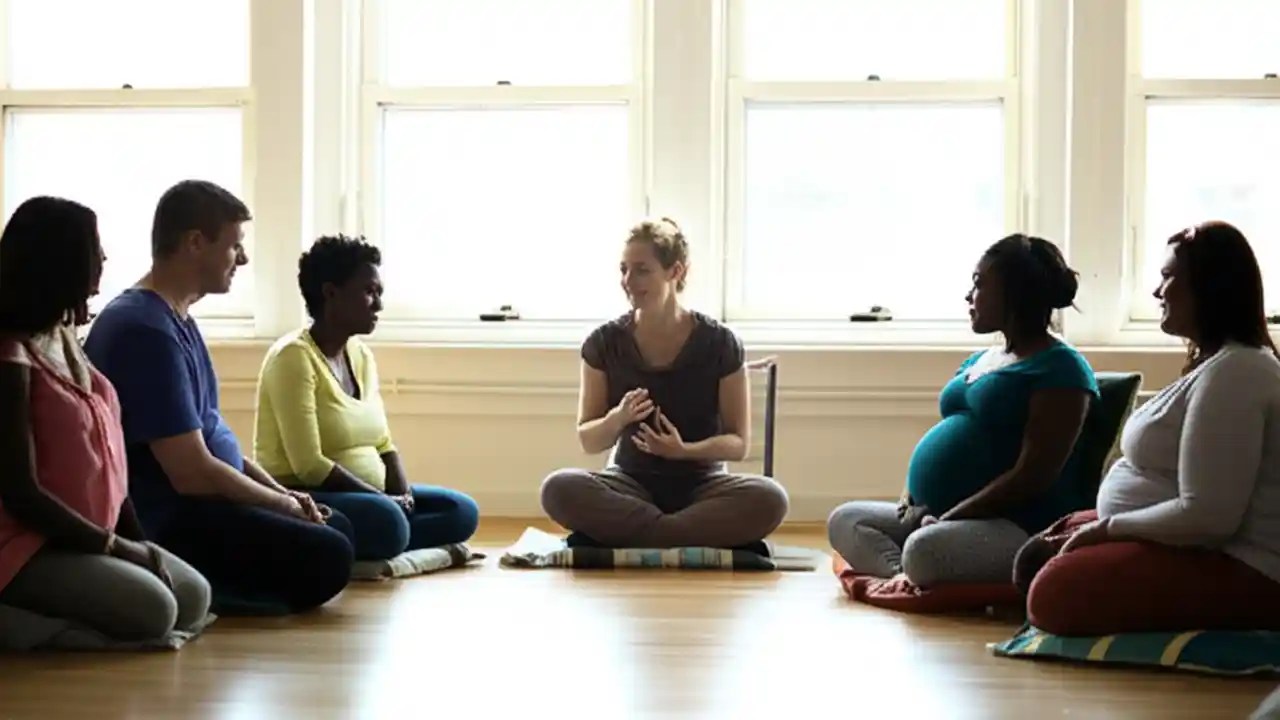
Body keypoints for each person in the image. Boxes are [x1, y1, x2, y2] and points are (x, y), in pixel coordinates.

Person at [83, 180, 354, 613]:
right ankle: (200, 590)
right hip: (174, 517)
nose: (242, 259)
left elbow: (212, 436)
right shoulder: (143, 330)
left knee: (336, 526)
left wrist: (287, 498)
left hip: (208, 500)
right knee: (331, 555)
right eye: (234, 246)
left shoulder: (179, 319)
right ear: (195, 243)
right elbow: (191, 472)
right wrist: (281, 502)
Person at [1018, 221, 1280, 635]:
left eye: (1167, 277)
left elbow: (1209, 517)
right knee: (1038, 550)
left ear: (1209, 286)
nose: (1158, 292)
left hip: (1247, 565)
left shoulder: (1238, 373)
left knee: (1053, 593)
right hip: (1201, 545)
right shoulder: (1218, 366)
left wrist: (1109, 528)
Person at [827, 234, 1099, 589]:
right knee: (846, 520)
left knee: (924, 550)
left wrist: (952, 517)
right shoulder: (982, 358)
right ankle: (905, 579)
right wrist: (917, 498)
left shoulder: (1062, 370)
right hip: (936, 516)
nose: (969, 296)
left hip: (1014, 524)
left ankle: (914, 573)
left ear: (1013, 293)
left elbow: (1033, 476)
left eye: (979, 283)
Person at [0, 196, 210, 642]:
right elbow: (20, 491)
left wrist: (139, 543)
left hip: (91, 537)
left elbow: (111, 462)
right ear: (62, 259)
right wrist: (115, 548)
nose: (105, 259)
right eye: (95, 248)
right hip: (28, 545)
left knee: (194, 598)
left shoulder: (66, 336)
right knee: (155, 611)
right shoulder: (10, 353)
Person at [540, 218, 788, 550]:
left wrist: (683, 451)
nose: (628, 281)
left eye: (642, 270)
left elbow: (737, 443)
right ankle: (677, 536)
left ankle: (644, 536)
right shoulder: (603, 343)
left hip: (704, 485)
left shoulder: (720, 343)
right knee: (558, 488)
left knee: (771, 498)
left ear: (676, 272)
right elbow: (588, 439)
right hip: (628, 483)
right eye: (624, 269)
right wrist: (618, 418)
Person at [253, 234, 479, 561]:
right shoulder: (292, 358)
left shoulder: (360, 355)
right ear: (330, 293)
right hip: (308, 495)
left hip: (371, 499)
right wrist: (383, 501)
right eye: (369, 292)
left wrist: (401, 494)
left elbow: (384, 443)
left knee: (461, 510)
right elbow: (309, 466)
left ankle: (381, 536)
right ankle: (380, 535)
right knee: (387, 522)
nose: (379, 305)